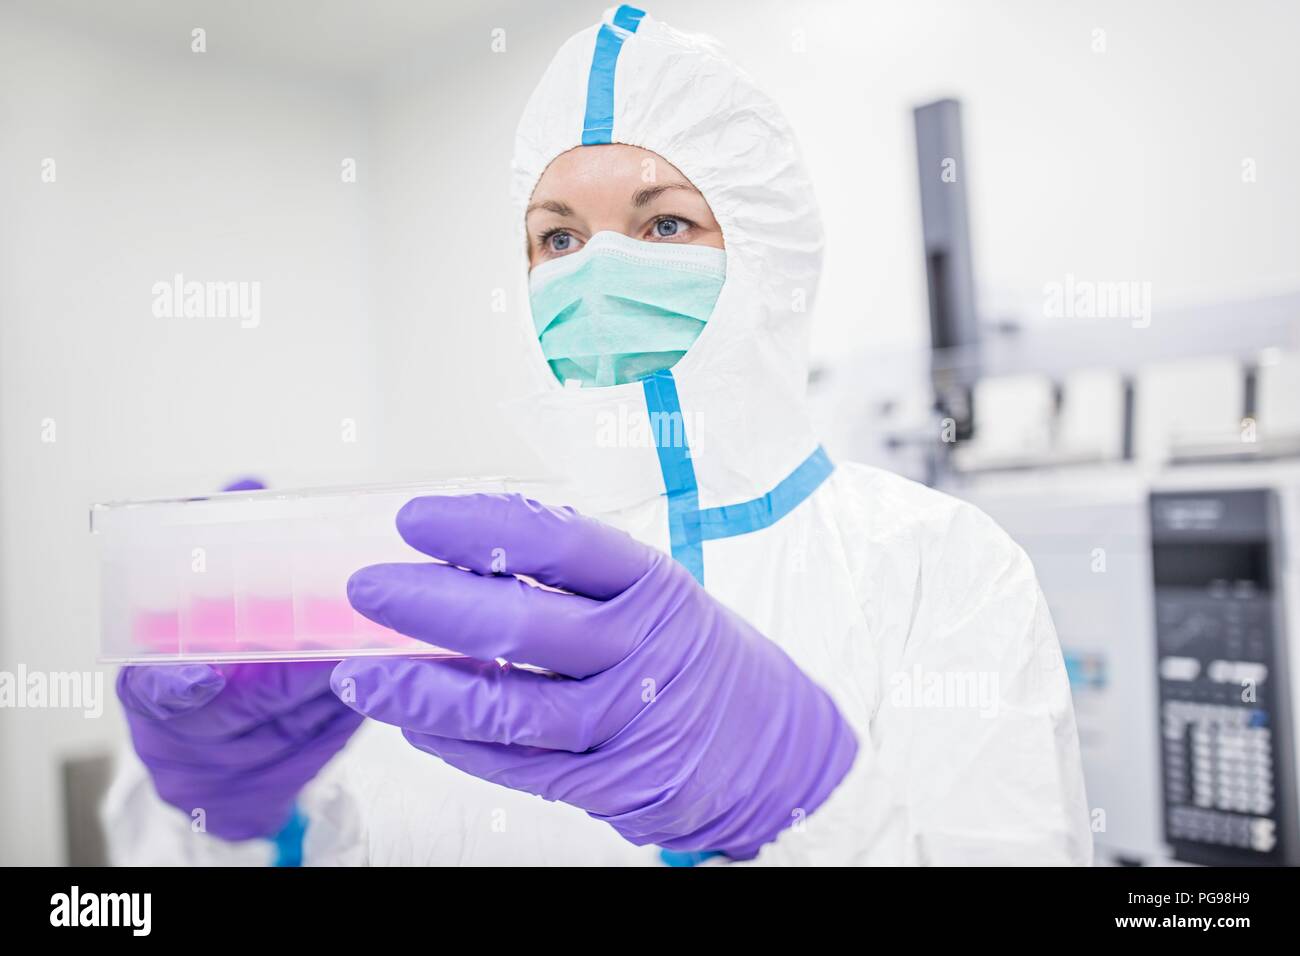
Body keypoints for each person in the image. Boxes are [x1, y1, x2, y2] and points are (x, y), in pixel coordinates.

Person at [105, 5, 1093, 866]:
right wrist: (229, 816)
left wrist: (806, 797)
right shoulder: (470, 588)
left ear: (766, 256)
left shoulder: (937, 567)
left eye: (662, 225)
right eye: (559, 237)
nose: (596, 270)